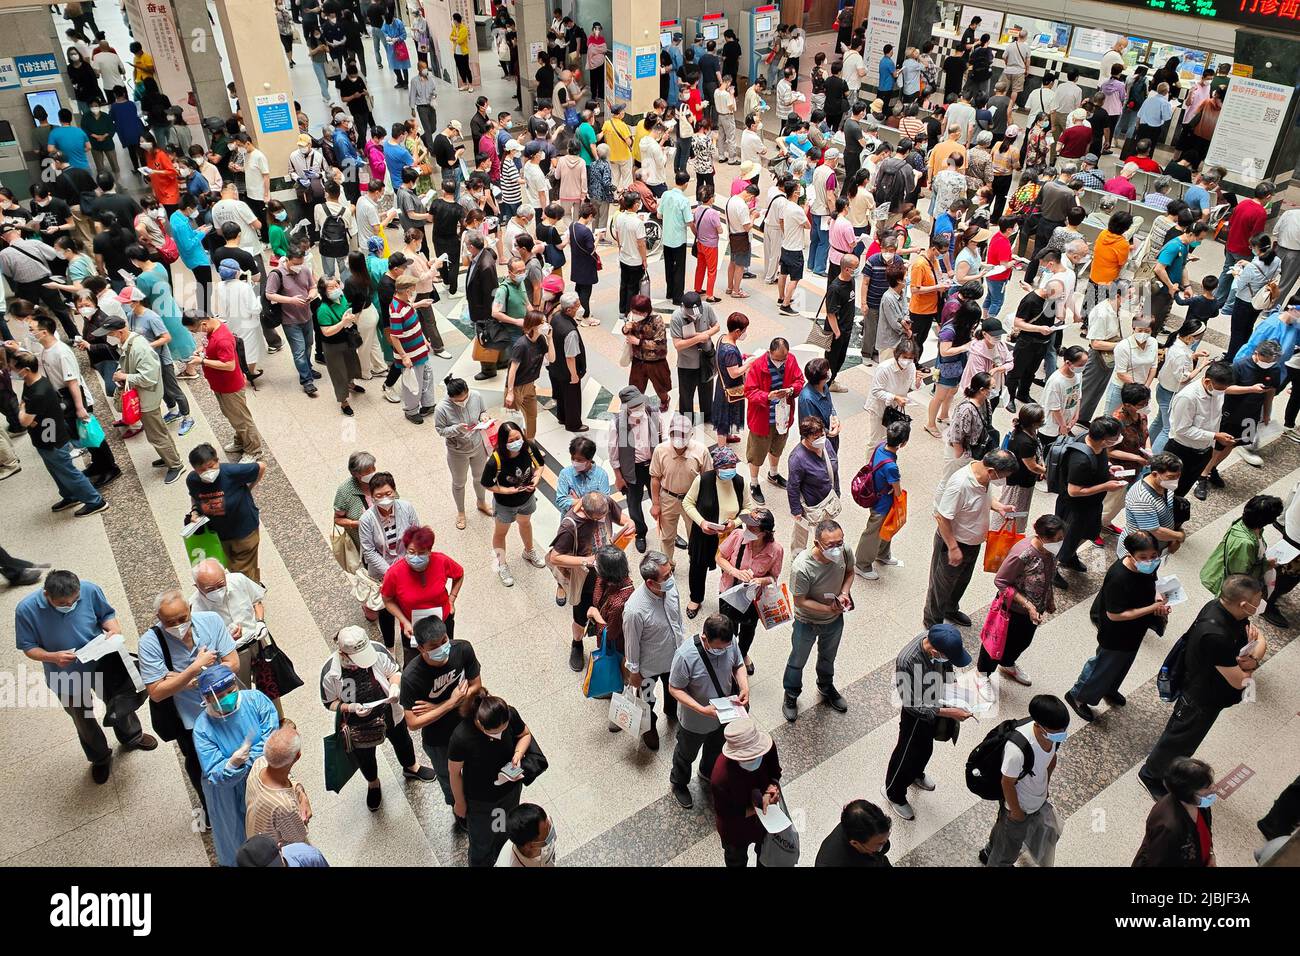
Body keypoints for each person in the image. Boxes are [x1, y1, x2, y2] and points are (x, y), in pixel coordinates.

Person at [15, 570, 157, 784]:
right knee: (83, 718)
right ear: (46, 595)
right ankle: (99, 757)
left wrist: (113, 629)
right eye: (63, 603)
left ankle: (132, 736)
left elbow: (107, 615)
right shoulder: (26, 610)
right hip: (64, 673)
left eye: (75, 600)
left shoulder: (89, 589)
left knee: (118, 703)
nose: (70, 605)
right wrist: (52, 657)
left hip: (102, 662)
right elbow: (28, 647)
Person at [1138, 575, 1268, 799]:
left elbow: (1259, 638)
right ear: (1244, 604)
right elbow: (1240, 680)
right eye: (1259, 599)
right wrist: (1254, 662)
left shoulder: (1225, 609)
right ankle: (1151, 774)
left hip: (1211, 691)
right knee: (1179, 738)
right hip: (1200, 697)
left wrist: (1252, 657)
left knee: (1187, 738)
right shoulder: (1216, 635)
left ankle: (1171, 770)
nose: (1262, 602)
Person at [320, 626, 435, 812]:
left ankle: (411, 766)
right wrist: (349, 708)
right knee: (365, 756)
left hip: (388, 711)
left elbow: (394, 672)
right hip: (357, 723)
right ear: (342, 653)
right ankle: (373, 783)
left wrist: (395, 687)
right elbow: (329, 702)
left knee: (402, 739)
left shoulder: (378, 650)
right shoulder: (330, 672)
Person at [1062, 531, 1167, 724]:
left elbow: (1153, 581)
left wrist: (1157, 596)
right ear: (1129, 554)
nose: (1150, 561)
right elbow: (1115, 615)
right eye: (1143, 557)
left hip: (1136, 627)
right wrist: (1152, 608)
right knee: (1104, 664)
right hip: (1116, 631)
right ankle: (1078, 695)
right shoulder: (1119, 577)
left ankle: (1109, 688)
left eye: (1153, 556)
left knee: (1124, 662)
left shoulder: (1148, 566)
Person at [882, 623, 972, 820]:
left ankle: (916, 773)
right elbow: (912, 705)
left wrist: (953, 685)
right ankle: (893, 793)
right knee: (907, 753)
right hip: (916, 715)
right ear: (933, 650)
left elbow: (948, 665)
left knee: (925, 749)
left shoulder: (938, 640)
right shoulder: (907, 661)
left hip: (933, 700)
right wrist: (950, 712)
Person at [191, 664, 278, 865]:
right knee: (234, 835)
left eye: (230, 691)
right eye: (220, 696)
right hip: (226, 793)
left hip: (262, 778)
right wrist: (231, 765)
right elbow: (214, 772)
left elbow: (271, 738)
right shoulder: (203, 728)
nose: (227, 698)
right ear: (207, 699)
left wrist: (245, 761)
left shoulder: (255, 701)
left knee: (269, 828)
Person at [924, 449, 1019, 628]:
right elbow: (942, 517)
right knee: (940, 586)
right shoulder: (960, 485)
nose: (1004, 480)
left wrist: (997, 506)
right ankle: (933, 624)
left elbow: (984, 499)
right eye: (1004, 475)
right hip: (954, 543)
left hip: (972, 543)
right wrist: (953, 547)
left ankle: (950, 609)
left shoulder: (984, 477)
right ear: (992, 471)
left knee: (961, 581)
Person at [401, 615, 482, 817]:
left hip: (469, 725)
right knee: (448, 777)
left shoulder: (462, 649)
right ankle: (458, 810)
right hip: (438, 740)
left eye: (444, 641)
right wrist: (450, 702)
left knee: (476, 768)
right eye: (434, 646)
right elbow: (412, 722)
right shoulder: (411, 677)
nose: (443, 647)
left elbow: (476, 687)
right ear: (421, 648)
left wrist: (436, 707)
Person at [667, 613, 749, 809]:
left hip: (724, 713)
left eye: (726, 647)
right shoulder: (685, 656)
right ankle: (679, 783)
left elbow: (738, 663)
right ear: (705, 638)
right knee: (686, 753)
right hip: (695, 719)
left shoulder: (730, 642)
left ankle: (707, 771)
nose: (723, 651)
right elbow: (674, 688)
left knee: (716, 746)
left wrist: (744, 686)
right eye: (718, 648)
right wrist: (701, 709)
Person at [448, 687, 534, 866]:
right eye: (495, 732)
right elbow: (454, 773)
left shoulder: (508, 714)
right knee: (481, 843)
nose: (500, 734)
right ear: (479, 723)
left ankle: (501, 857)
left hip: (509, 792)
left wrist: (518, 754)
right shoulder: (462, 737)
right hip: (481, 801)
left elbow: (525, 734)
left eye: (504, 729)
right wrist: (460, 802)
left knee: (503, 830)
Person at [980, 694, 1069, 867]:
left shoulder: (1051, 735)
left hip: (1036, 800)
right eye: (1057, 732)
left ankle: (989, 851)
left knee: (1004, 834)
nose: (1062, 735)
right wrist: (1016, 812)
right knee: (1007, 853)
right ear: (1039, 725)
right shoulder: (1017, 749)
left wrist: (1046, 783)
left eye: (1063, 730)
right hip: (1018, 807)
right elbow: (1007, 783)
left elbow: (1051, 757)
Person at [781, 517, 854, 722]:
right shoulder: (802, 567)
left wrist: (845, 593)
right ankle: (791, 694)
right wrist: (826, 609)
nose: (837, 549)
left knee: (828, 657)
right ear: (817, 544)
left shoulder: (845, 551)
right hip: (807, 622)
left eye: (840, 543)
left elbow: (849, 572)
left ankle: (826, 685)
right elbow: (800, 600)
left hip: (834, 619)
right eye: (831, 545)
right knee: (797, 660)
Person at [99, 313, 185, 485]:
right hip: (144, 396)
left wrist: (125, 376)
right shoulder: (129, 343)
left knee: (156, 434)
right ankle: (168, 456)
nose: (109, 338)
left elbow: (149, 377)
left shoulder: (139, 347)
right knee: (158, 431)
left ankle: (176, 464)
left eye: (110, 334)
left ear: (120, 332)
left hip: (147, 398)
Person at [180, 312, 265, 461]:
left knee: (242, 420)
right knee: (233, 416)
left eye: (194, 330)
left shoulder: (222, 339)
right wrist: (203, 350)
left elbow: (229, 365)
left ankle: (254, 451)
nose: (194, 333)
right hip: (220, 384)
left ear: (203, 324)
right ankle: (240, 441)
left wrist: (202, 361)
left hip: (229, 387)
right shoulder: (214, 328)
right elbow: (213, 349)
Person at [378, 524, 464, 668]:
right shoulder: (394, 573)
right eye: (411, 552)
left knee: (445, 657)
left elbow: (459, 574)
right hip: (412, 627)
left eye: (422, 552)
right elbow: (387, 599)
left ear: (429, 551)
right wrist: (404, 621)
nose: (416, 557)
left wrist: (452, 599)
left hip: (442, 621)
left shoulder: (441, 561)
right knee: (415, 664)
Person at [186, 443, 267, 582]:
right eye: (201, 470)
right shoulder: (192, 480)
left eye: (211, 466)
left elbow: (261, 467)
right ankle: (253, 589)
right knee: (232, 567)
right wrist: (194, 511)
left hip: (244, 531)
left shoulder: (232, 472)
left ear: (217, 461)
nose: (207, 472)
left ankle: (255, 599)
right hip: (219, 534)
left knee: (244, 571)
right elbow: (195, 496)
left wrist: (249, 487)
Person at [481, 420, 548, 587]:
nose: (516, 443)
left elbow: (540, 465)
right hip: (505, 504)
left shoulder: (529, 447)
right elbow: (487, 483)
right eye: (510, 441)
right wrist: (506, 490)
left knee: (525, 523)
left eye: (517, 438)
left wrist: (537, 478)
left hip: (527, 498)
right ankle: (501, 564)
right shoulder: (495, 460)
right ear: (503, 442)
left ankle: (529, 551)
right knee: (500, 533)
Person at [356, 473, 420, 647]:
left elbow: (416, 536)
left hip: (408, 565)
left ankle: (412, 640)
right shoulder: (366, 520)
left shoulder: (406, 508)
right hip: (383, 572)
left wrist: (408, 563)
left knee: (410, 603)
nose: (385, 498)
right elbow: (369, 551)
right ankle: (390, 646)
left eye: (389, 493)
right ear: (372, 496)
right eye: (379, 496)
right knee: (386, 609)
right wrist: (391, 573)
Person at [710, 716, 782, 866]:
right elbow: (727, 813)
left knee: (765, 855)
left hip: (765, 822)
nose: (755, 758)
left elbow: (775, 773)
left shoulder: (767, 748)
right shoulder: (721, 776)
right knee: (736, 859)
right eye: (748, 757)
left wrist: (772, 789)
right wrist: (760, 807)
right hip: (735, 830)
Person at [1163, 361, 1237, 499]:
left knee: (1181, 492)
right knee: (1165, 490)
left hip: (1203, 452)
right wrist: (1215, 436)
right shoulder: (1188, 397)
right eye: (1220, 388)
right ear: (1208, 381)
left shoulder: (1217, 392)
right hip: (1181, 451)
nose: (1222, 392)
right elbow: (1182, 430)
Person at [744, 337, 803, 506]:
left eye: (783, 359)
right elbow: (749, 391)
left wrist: (792, 389)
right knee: (756, 454)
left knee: (777, 448)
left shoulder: (790, 360)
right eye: (777, 359)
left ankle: (773, 474)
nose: (781, 362)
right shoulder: (757, 366)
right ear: (770, 353)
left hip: (782, 417)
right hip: (762, 419)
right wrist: (767, 396)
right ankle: (754, 483)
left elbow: (799, 380)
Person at [649, 413, 712, 564]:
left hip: (692, 501)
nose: (678, 437)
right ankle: (668, 564)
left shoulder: (701, 451)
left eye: (682, 434)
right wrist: (656, 504)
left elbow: (708, 480)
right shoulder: (660, 450)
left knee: (694, 535)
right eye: (674, 433)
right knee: (666, 537)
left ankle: (694, 561)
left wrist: (706, 506)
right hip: (668, 499)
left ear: (691, 434)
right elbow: (655, 478)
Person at [1134, 757, 1218, 866]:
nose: (1214, 789)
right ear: (1189, 793)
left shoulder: (1200, 804)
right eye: (1207, 788)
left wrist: (1211, 854)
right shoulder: (1169, 828)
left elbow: (1206, 832)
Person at [433, 375, 492, 530]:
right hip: (457, 451)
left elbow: (483, 411)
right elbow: (440, 430)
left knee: (480, 477)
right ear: (451, 397)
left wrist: (484, 416)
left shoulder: (476, 396)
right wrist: (456, 428)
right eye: (459, 400)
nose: (463, 401)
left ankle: (481, 501)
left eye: (466, 397)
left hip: (478, 446)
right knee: (459, 483)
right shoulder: (441, 408)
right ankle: (461, 512)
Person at [1200, 496, 1283, 599]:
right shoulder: (1245, 544)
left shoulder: (1243, 522)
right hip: (1233, 591)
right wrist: (1266, 565)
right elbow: (1240, 576)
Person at [816, 799, 892, 867]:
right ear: (855, 843)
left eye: (887, 837)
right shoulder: (830, 863)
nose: (885, 843)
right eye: (880, 844)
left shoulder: (858, 827)